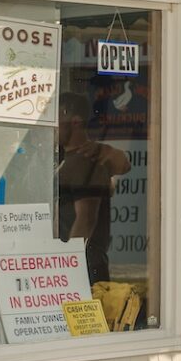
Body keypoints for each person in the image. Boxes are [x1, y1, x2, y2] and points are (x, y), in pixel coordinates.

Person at [56, 90, 131, 284]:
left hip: (85, 267)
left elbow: (86, 218)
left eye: (57, 119)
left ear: (75, 122)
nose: (53, 126)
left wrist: (69, 265)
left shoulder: (86, 160)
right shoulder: (68, 159)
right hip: (82, 262)